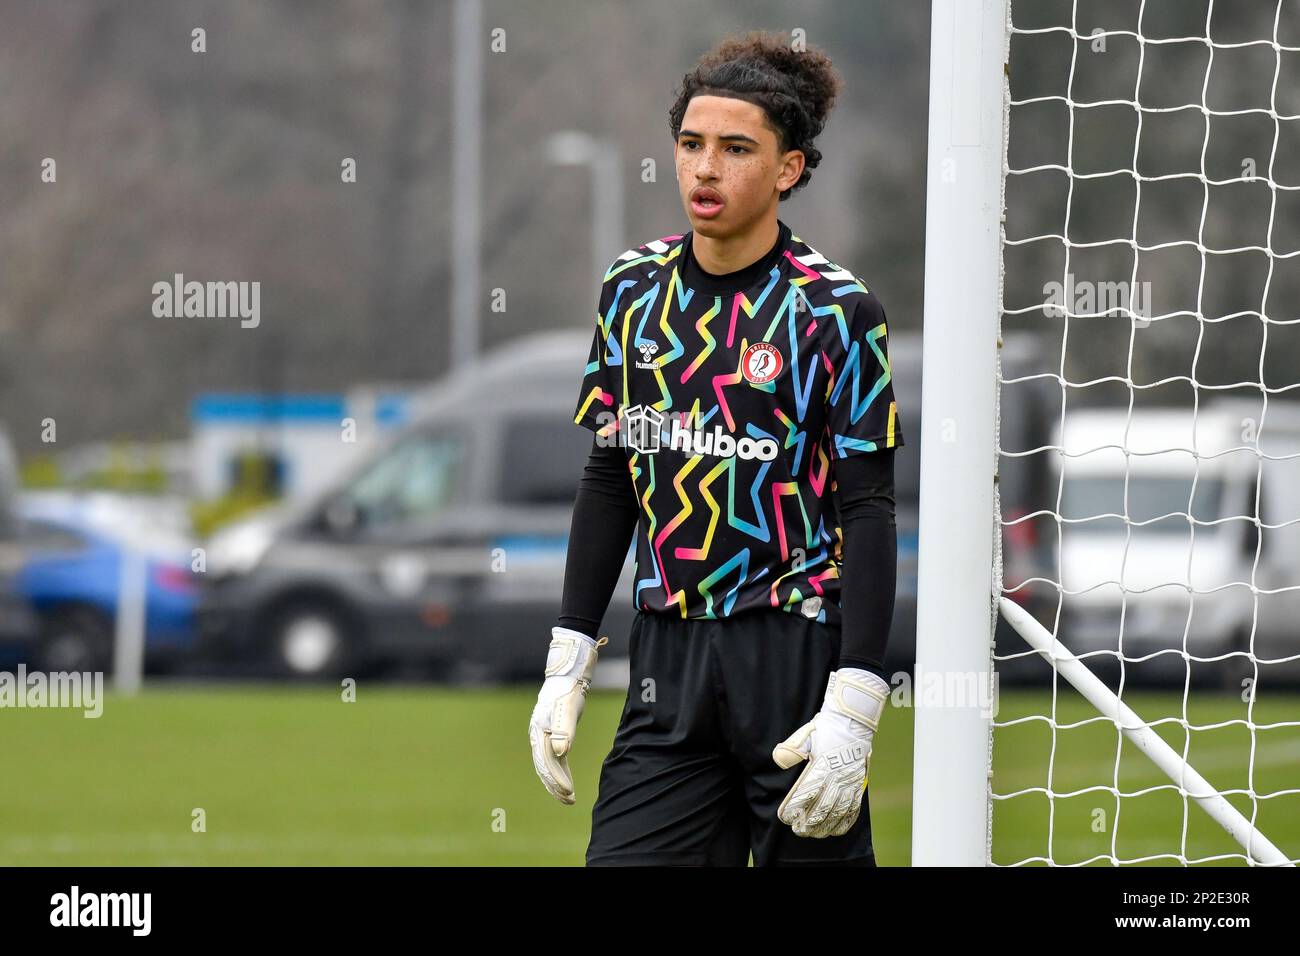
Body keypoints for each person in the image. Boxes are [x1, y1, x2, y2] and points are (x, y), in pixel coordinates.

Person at [529, 30, 904, 867]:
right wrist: (570, 654)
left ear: (789, 169)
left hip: (794, 654)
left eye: (737, 149)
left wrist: (856, 698)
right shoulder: (632, 292)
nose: (705, 168)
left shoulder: (838, 313)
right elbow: (610, 478)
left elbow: (869, 509)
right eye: (692, 144)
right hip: (668, 660)